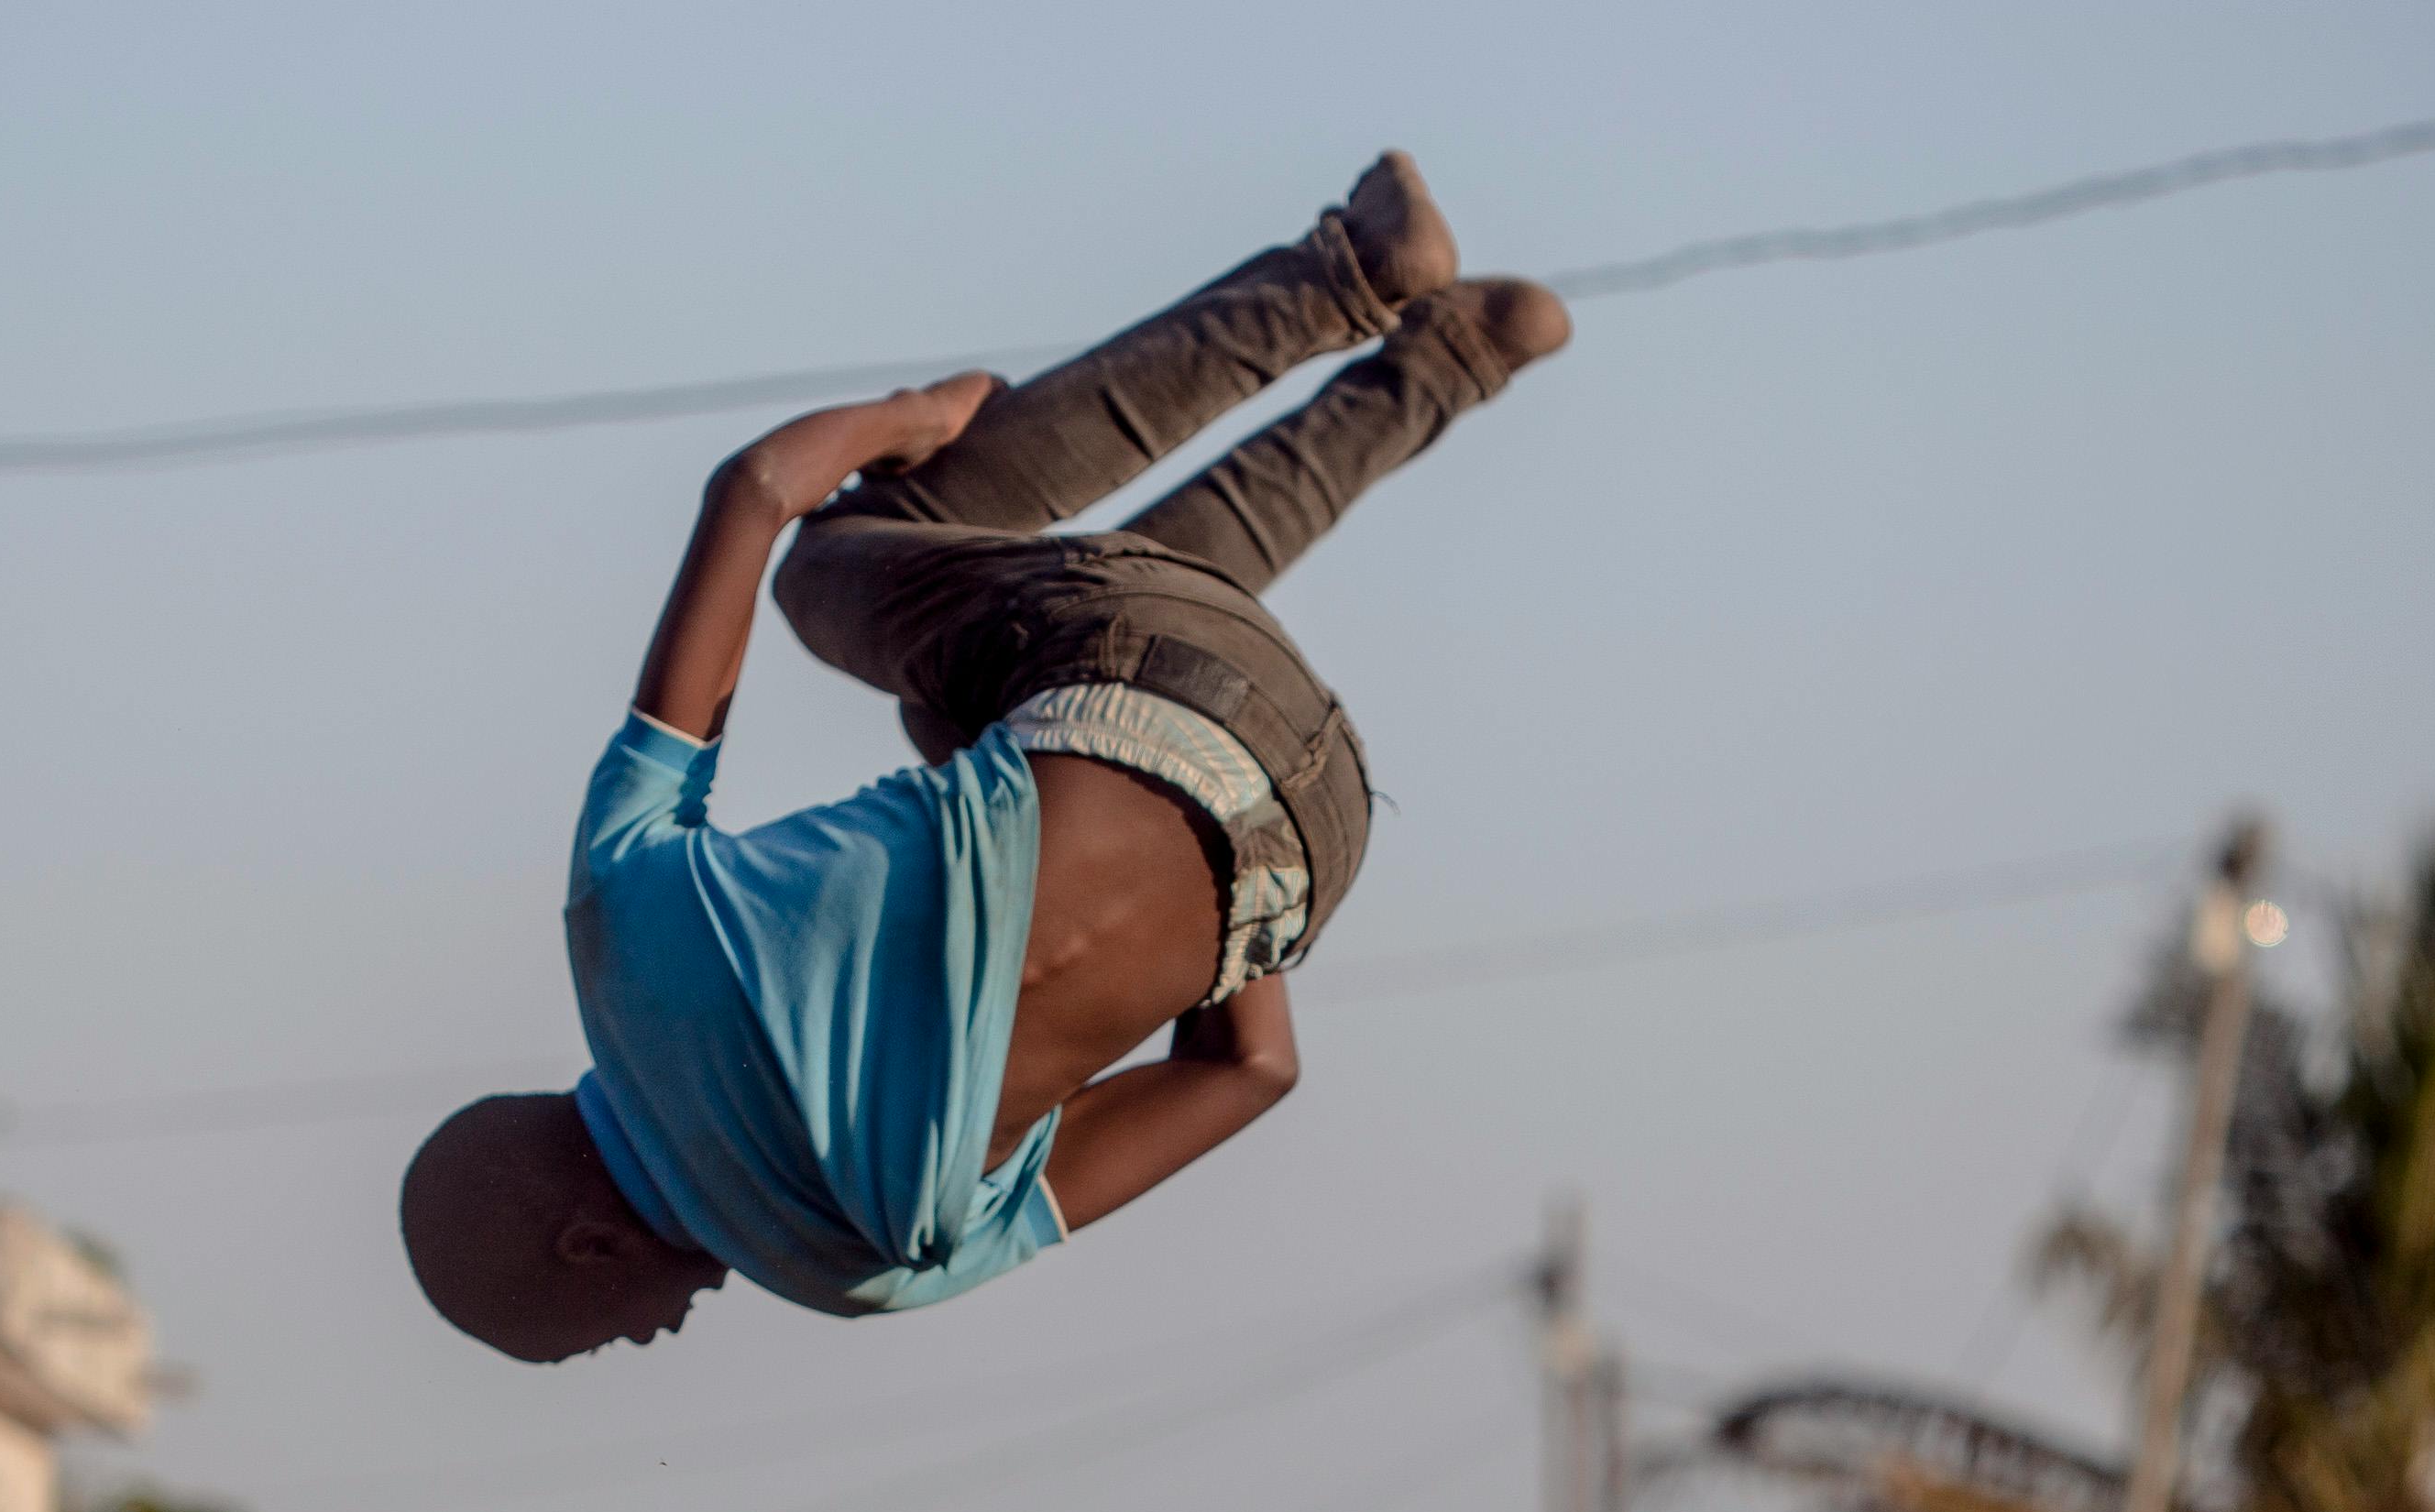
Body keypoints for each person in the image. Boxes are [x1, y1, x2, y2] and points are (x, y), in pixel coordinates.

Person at [400, 155, 1571, 1358]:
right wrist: (926, 415)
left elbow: (1253, 1072)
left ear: (586, 1249)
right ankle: (1353, 275)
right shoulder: (617, 915)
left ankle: (1454, 358)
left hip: (1316, 839)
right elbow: (753, 491)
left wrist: (1237, 842)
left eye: (609, 1338)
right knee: (834, 556)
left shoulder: (862, 1277)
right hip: (1124, 668)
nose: (654, 1339)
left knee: (1105, 664)